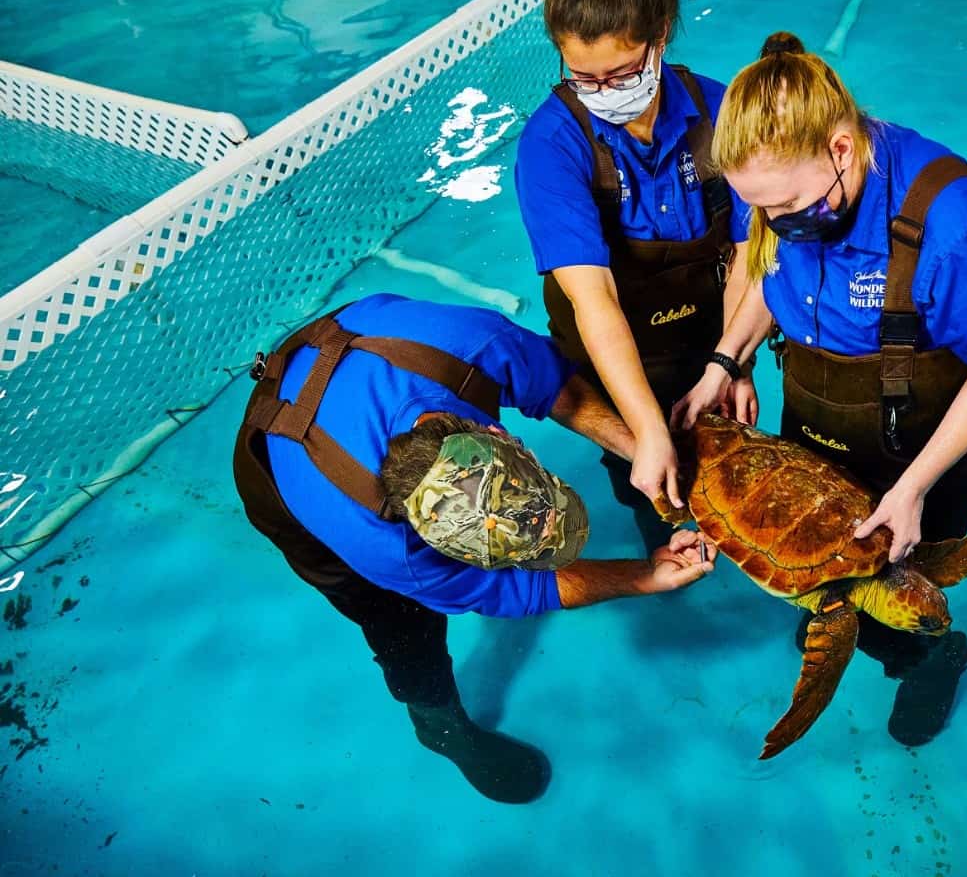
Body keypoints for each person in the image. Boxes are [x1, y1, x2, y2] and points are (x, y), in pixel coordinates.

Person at [673, 33, 967, 747]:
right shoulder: (781, 190)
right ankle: (849, 622)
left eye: (788, 207)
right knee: (826, 589)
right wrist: (727, 360)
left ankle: (932, 658)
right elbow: (767, 269)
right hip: (814, 420)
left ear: (843, 149)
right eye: (759, 210)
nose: (775, 223)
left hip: (921, 448)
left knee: (897, 609)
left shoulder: (953, 225)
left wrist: (914, 489)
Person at [233, 293, 714, 804]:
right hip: (285, 477)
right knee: (401, 626)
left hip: (356, 343)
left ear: (494, 433)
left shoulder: (467, 345)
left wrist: (645, 451)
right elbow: (519, 592)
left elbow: (556, 387)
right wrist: (644, 576)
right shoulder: (391, 549)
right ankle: (440, 727)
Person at [514, 0, 754, 553]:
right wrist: (645, 430)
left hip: (711, 330)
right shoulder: (551, 145)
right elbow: (594, 302)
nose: (603, 91)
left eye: (620, 73)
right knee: (647, 480)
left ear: (661, 35)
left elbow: (751, 253)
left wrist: (734, 362)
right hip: (618, 350)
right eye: (583, 77)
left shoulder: (720, 110)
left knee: (733, 461)